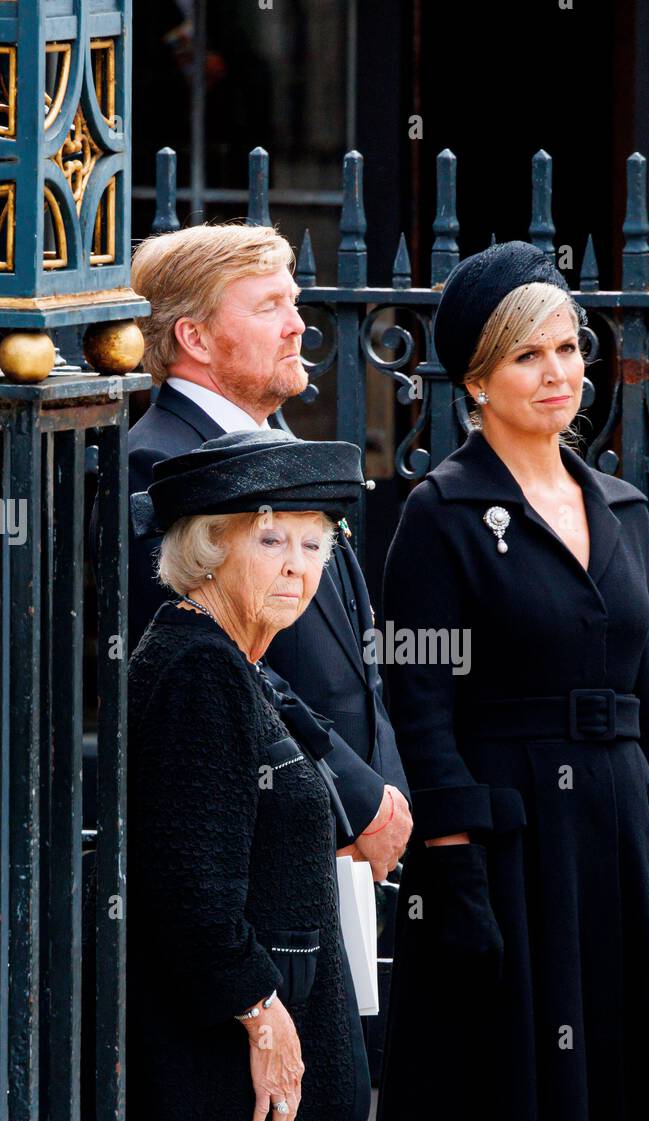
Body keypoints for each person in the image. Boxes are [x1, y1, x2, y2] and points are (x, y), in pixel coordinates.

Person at [344, 241, 649, 1121]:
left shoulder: (622, 505)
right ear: (474, 381)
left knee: (627, 1083)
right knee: (511, 1100)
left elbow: (645, 696)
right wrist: (457, 858)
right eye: (527, 356)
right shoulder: (439, 513)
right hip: (511, 847)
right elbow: (420, 707)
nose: (559, 373)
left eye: (568, 349)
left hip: (619, 837)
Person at [107, 428, 372, 1121]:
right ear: (208, 549)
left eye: (312, 545)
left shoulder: (230, 660)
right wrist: (263, 1018)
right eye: (270, 539)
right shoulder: (199, 671)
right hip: (227, 1090)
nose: (297, 566)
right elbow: (189, 886)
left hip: (245, 1100)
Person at [88, 221, 411, 885]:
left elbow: (353, 664)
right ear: (195, 337)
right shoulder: (159, 466)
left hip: (339, 845)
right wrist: (354, 796)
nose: (297, 326)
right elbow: (217, 664)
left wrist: (382, 797)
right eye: (269, 307)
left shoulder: (277, 451)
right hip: (252, 851)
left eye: (293, 303)